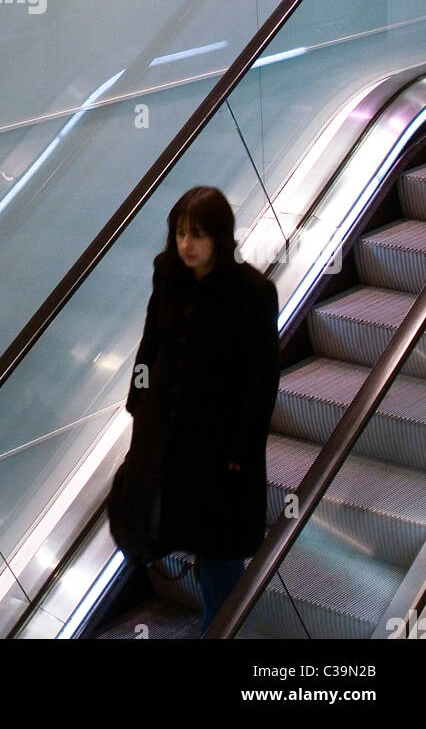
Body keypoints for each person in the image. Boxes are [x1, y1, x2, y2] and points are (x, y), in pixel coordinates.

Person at [110, 185, 280, 634]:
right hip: (166, 434)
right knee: (147, 520)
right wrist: (138, 403)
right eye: (181, 233)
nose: (187, 244)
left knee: (219, 546)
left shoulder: (252, 293)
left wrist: (241, 452)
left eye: (198, 235)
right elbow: (150, 344)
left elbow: (261, 382)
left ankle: (220, 628)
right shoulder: (168, 274)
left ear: (219, 237)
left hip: (219, 444)